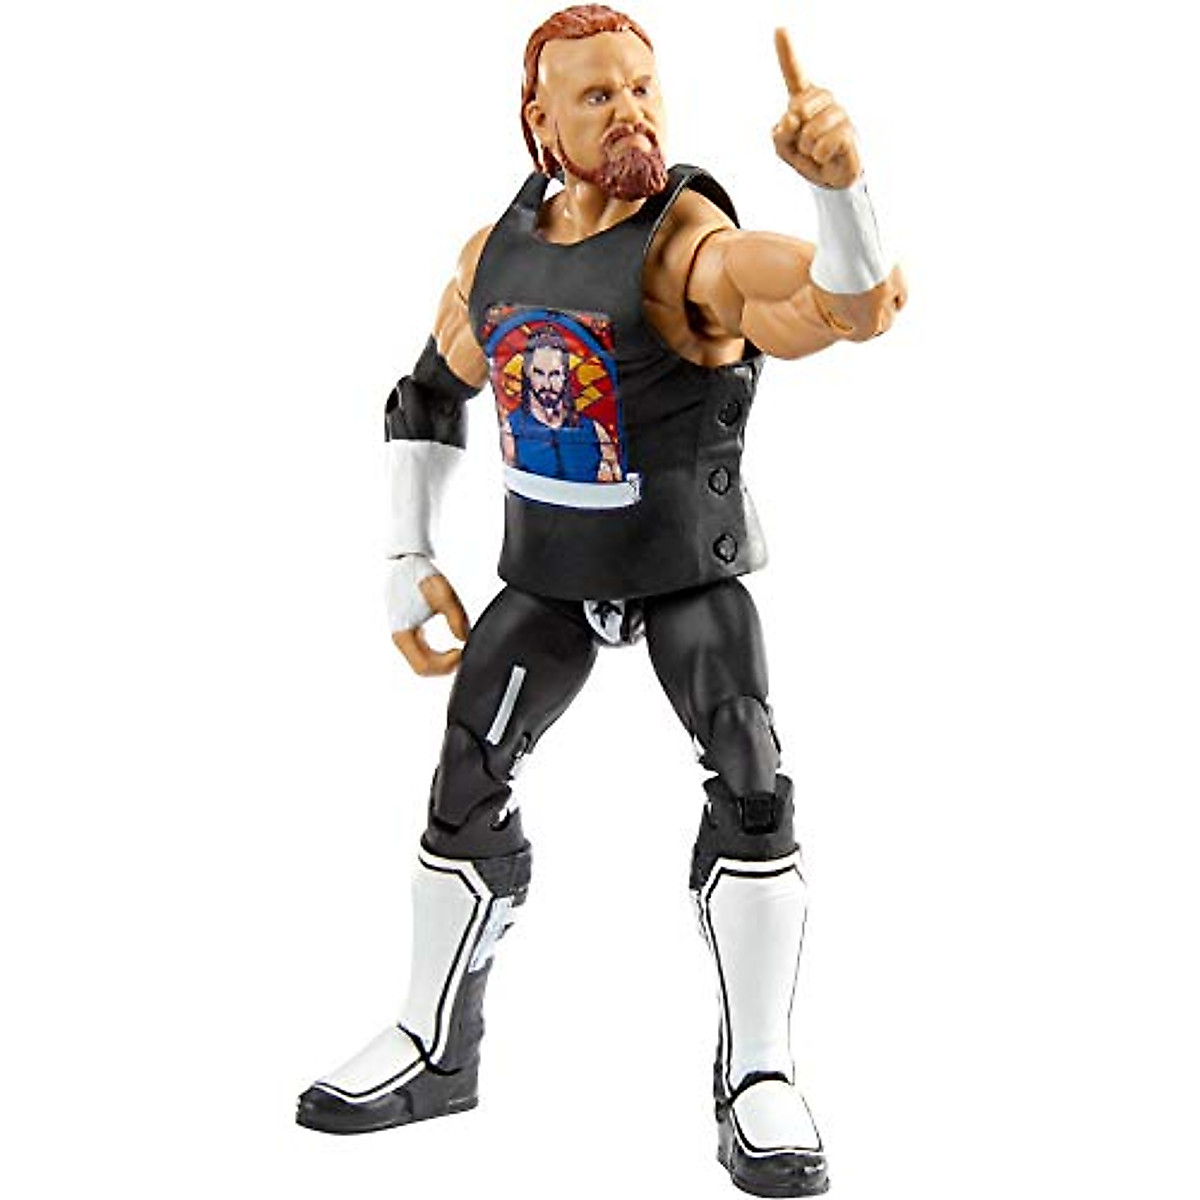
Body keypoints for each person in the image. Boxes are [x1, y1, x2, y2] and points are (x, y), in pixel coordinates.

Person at [297, 7, 905, 1196]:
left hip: (683, 575)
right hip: (551, 577)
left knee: (751, 776)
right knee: (463, 779)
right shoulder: (495, 256)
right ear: (541, 121)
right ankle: (433, 1044)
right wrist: (405, 552)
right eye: (597, 95)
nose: (630, 112)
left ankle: (761, 1075)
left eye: (642, 88)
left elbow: (850, 308)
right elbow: (427, 394)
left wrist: (842, 191)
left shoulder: (692, 252)